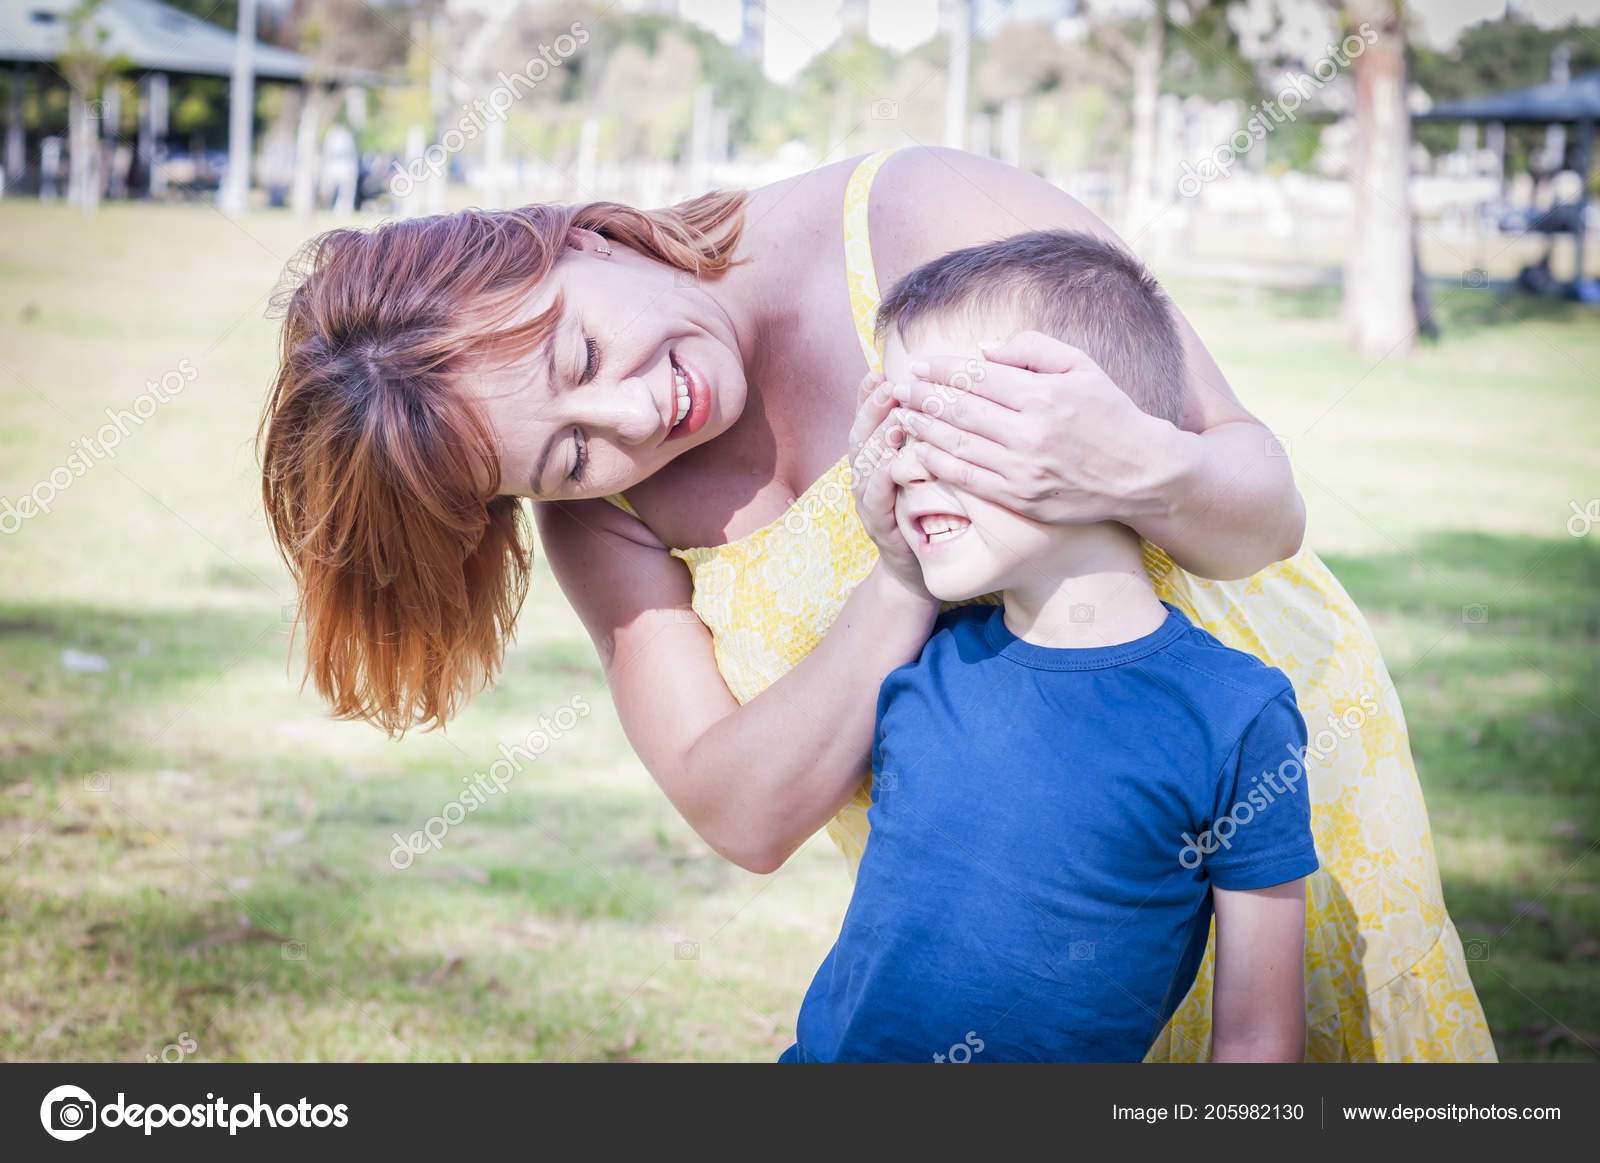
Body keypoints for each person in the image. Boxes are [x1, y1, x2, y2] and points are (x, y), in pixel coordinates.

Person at [258, 146, 1495, 1061]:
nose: (633, 418)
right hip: (1001, 952)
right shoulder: (608, 517)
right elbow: (741, 809)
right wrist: (891, 576)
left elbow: (1264, 505)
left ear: (568, 237)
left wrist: (1138, 467)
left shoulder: (916, 220)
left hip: (1243, 798)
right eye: (566, 456)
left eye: (581, 357)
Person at [781, 231, 1318, 1062]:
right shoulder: (924, 663)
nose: (915, 465)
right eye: (898, 429)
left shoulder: (1236, 718)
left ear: (1095, 433)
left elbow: (1256, 1037)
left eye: (958, 425)